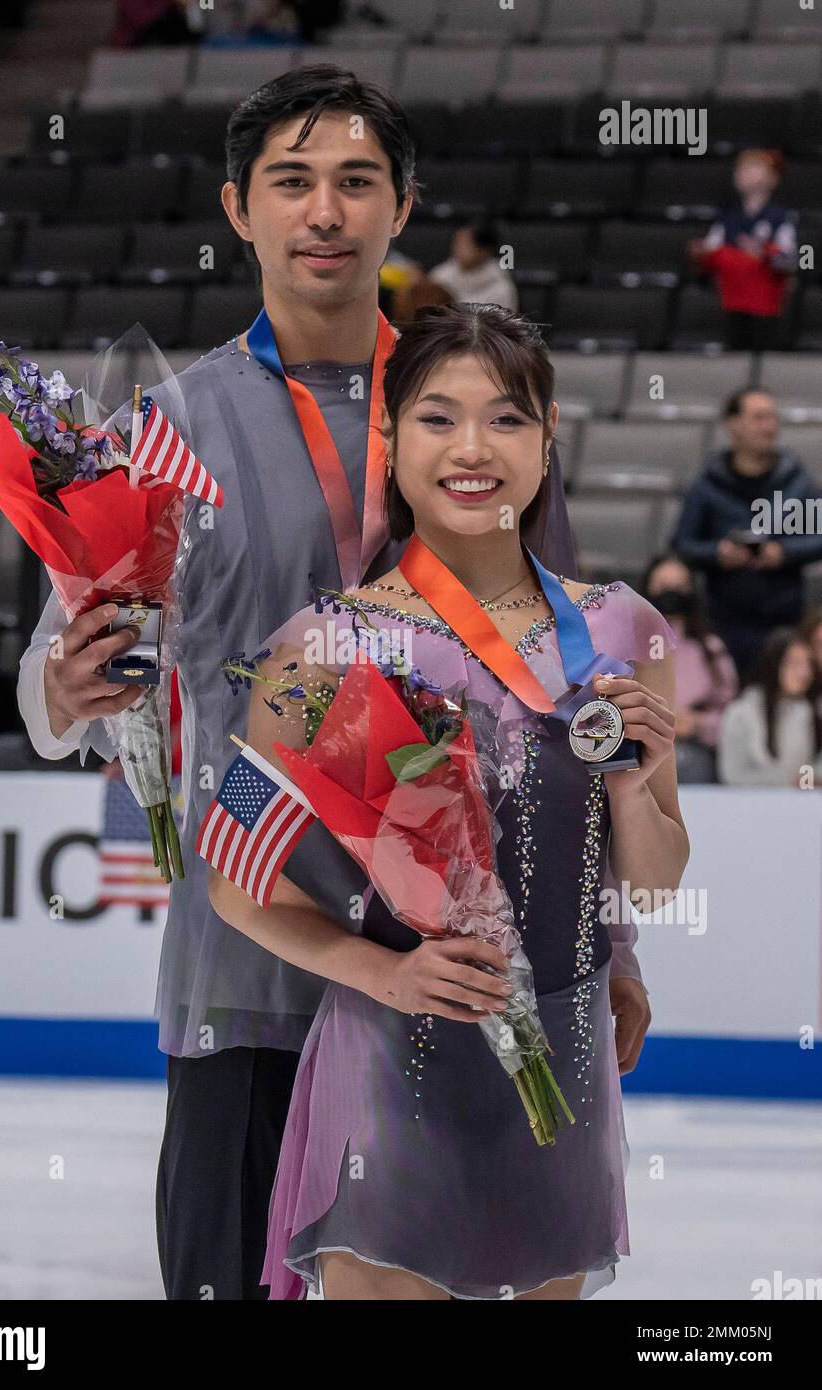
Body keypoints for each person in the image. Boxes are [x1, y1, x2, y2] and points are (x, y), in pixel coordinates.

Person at [16, 64, 418, 1299]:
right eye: (291, 182)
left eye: (356, 181)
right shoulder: (162, 429)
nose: (325, 211)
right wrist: (70, 689)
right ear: (239, 208)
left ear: (402, 206)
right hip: (241, 970)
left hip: (444, 960)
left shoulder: (470, 413)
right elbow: (49, 680)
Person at [209, 303, 690, 1300]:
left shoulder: (623, 630)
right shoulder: (316, 645)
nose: (473, 448)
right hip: (394, 1061)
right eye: (438, 417)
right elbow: (236, 884)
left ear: (548, 439)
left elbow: (650, 882)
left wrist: (629, 789)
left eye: (507, 418)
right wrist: (386, 976)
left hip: (565, 1061)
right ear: (391, 441)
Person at [670, 388, 822, 684]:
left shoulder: (797, 482)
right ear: (733, 425)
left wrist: (784, 553)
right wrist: (719, 553)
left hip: (784, 619)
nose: (769, 426)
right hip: (724, 620)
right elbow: (682, 544)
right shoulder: (708, 484)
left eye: (773, 417)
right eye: (759, 417)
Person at [641, 554, 739, 784]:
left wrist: (698, 722)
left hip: (694, 750)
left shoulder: (710, 648)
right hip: (639, 748)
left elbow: (733, 713)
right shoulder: (627, 644)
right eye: (662, 586)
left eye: (679, 587)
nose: (671, 594)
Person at [688, 148, 798, 351]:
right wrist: (700, 252)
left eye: (754, 167)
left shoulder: (781, 218)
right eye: (741, 168)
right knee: (735, 353)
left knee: (765, 352)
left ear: (773, 178)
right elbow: (709, 253)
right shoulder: (727, 218)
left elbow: (790, 261)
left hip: (766, 305)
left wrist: (764, 252)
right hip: (733, 303)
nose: (745, 172)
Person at [717, 628, 822, 788]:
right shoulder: (741, 712)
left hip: (801, 800)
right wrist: (789, 780)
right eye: (794, 663)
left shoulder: (810, 709)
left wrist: (812, 777)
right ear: (774, 664)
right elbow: (732, 774)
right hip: (752, 799)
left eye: (808, 664)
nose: (804, 672)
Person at [429, 219, 518, 313]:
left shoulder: (502, 289)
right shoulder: (440, 275)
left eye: (465, 245)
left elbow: (501, 321)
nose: (458, 249)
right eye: (457, 243)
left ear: (484, 250)